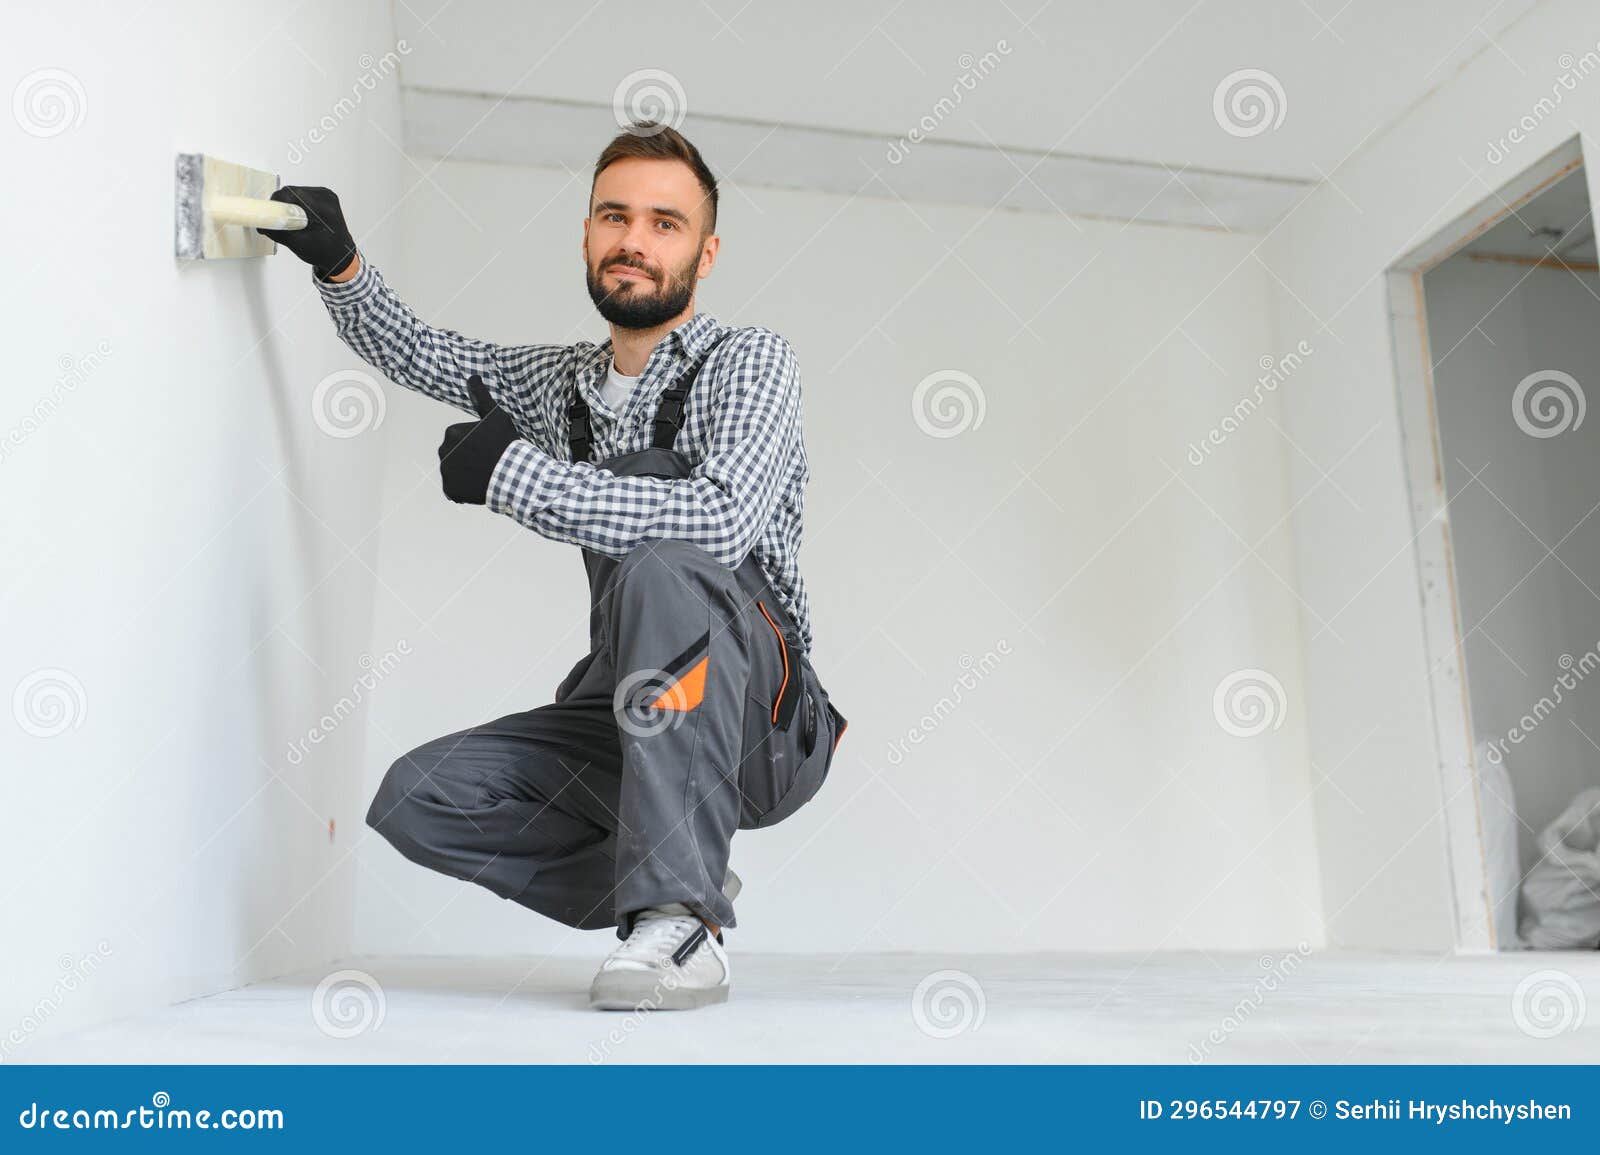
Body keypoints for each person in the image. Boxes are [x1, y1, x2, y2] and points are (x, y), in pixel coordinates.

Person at [260, 122, 847, 1011]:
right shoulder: (563, 384)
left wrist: (516, 476)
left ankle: (682, 918)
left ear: (705, 250)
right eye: (615, 217)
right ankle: (679, 860)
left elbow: (720, 523)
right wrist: (338, 264)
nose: (634, 242)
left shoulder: (749, 361)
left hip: (761, 723)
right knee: (424, 796)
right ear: (586, 234)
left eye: (664, 223)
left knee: (661, 553)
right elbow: (430, 354)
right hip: (633, 706)